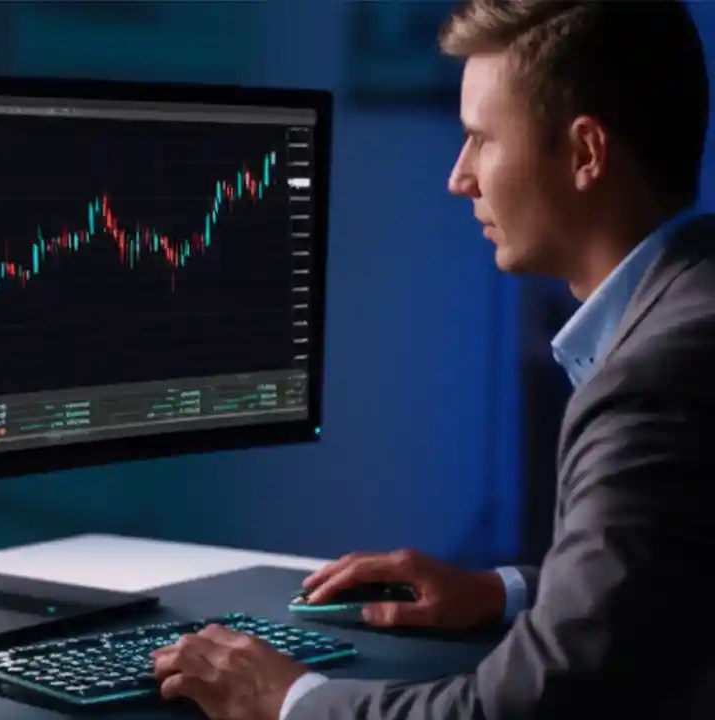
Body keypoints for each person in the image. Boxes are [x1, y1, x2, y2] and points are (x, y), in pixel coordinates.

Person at [151, 1, 715, 718]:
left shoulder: (655, 379)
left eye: (481, 139)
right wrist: (502, 593)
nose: (459, 176)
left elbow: (537, 703)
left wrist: (288, 700)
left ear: (585, 155)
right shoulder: (694, 298)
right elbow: (670, 583)